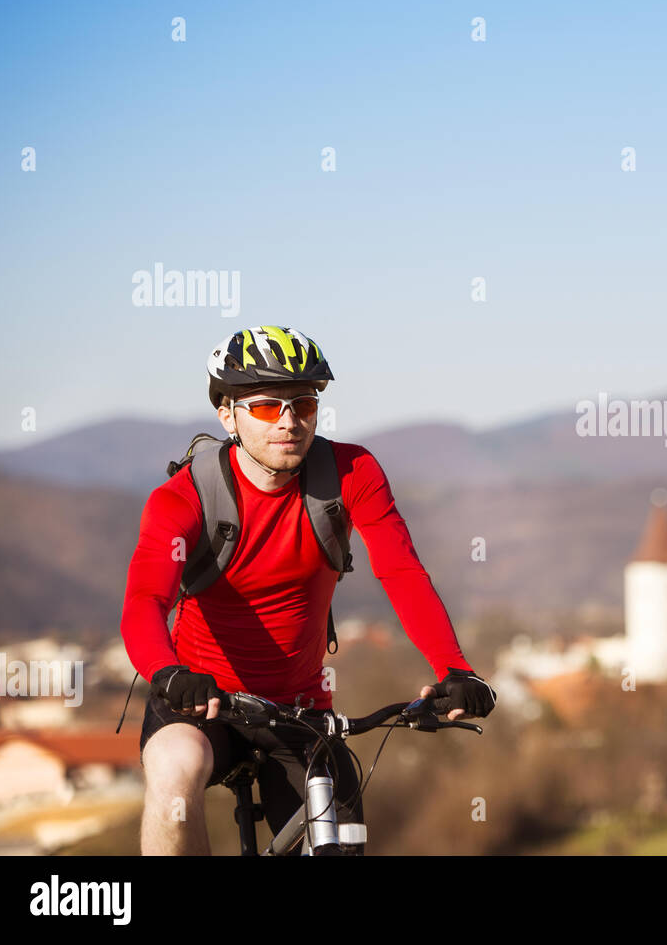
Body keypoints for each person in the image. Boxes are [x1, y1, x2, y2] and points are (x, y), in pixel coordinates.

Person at [120, 324, 496, 855]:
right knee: (174, 776)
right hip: (202, 703)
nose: (291, 421)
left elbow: (402, 574)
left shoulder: (352, 473)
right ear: (227, 413)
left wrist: (454, 668)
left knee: (337, 836)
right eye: (269, 407)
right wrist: (168, 674)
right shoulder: (183, 499)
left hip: (299, 710)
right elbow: (144, 603)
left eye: (304, 403)